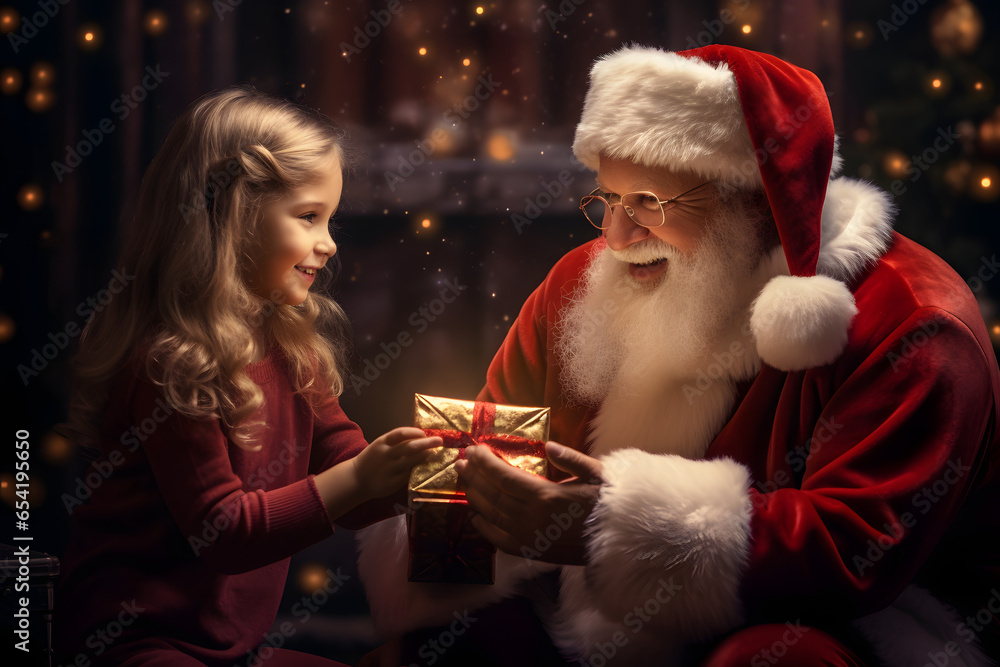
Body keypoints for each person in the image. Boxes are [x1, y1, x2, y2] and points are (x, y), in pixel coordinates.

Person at [357, 45, 1000, 666]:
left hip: (844, 627)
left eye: (648, 204)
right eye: (606, 199)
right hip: (581, 612)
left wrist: (610, 530)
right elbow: (491, 445)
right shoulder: (582, 283)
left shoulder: (914, 321)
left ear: (758, 204)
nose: (616, 237)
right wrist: (451, 508)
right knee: (455, 639)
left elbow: (854, 548)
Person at [53, 86, 441, 666]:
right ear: (231, 214)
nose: (329, 243)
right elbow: (224, 532)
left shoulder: (291, 345)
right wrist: (362, 478)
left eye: (329, 219)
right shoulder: (173, 363)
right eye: (309, 216)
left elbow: (343, 466)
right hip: (137, 646)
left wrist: (430, 477)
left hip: (233, 650)